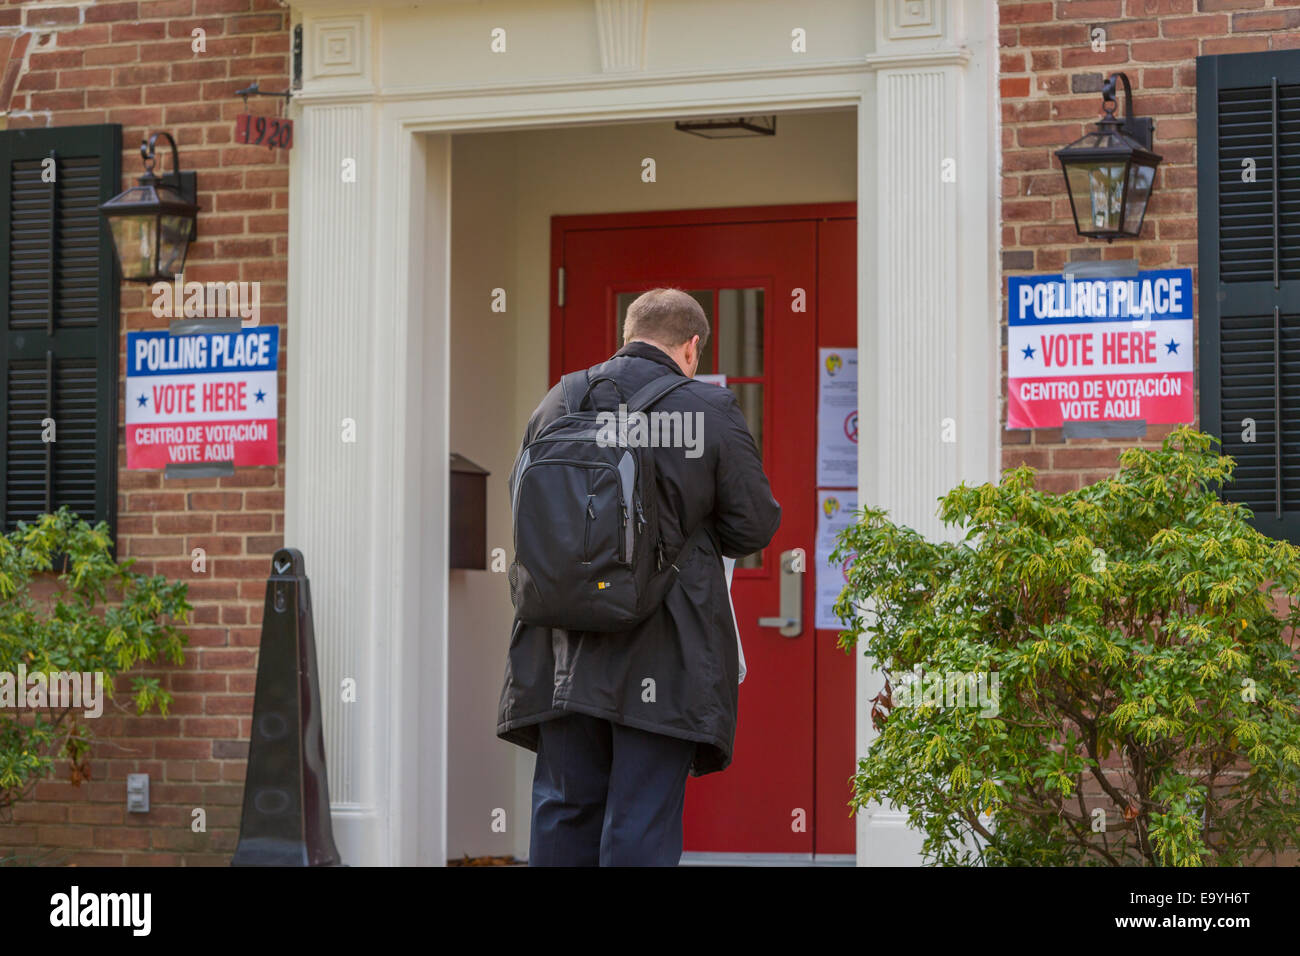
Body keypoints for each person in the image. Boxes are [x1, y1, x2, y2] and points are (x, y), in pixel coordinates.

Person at [496, 287, 781, 866]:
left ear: (628, 334)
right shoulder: (708, 411)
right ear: (692, 346)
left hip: (560, 653)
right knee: (640, 822)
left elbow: (528, 508)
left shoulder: (558, 400)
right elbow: (753, 525)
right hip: (663, 654)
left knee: (563, 811)